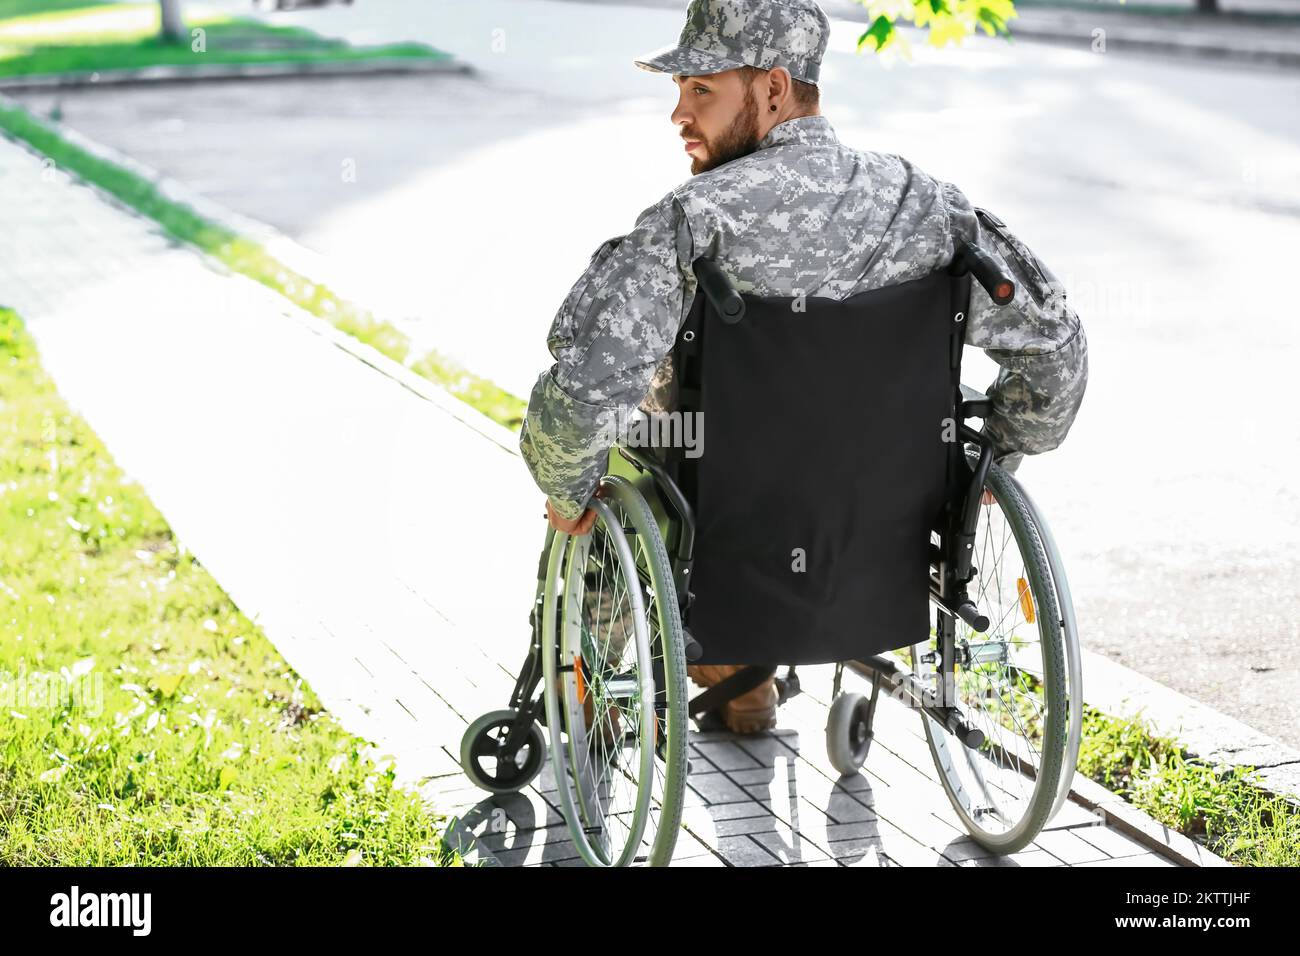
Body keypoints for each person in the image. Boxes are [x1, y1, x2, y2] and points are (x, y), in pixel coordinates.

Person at [519, 0, 1089, 735]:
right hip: (882, 522)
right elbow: (1056, 348)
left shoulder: (692, 222)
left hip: (718, 525)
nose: (677, 116)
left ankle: (597, 708)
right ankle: (740, 678)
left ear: (774, 91)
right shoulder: (928, 209)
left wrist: (565, 488)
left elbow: (586, 387)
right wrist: (994, 459)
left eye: (700, 90)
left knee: (612, 467)